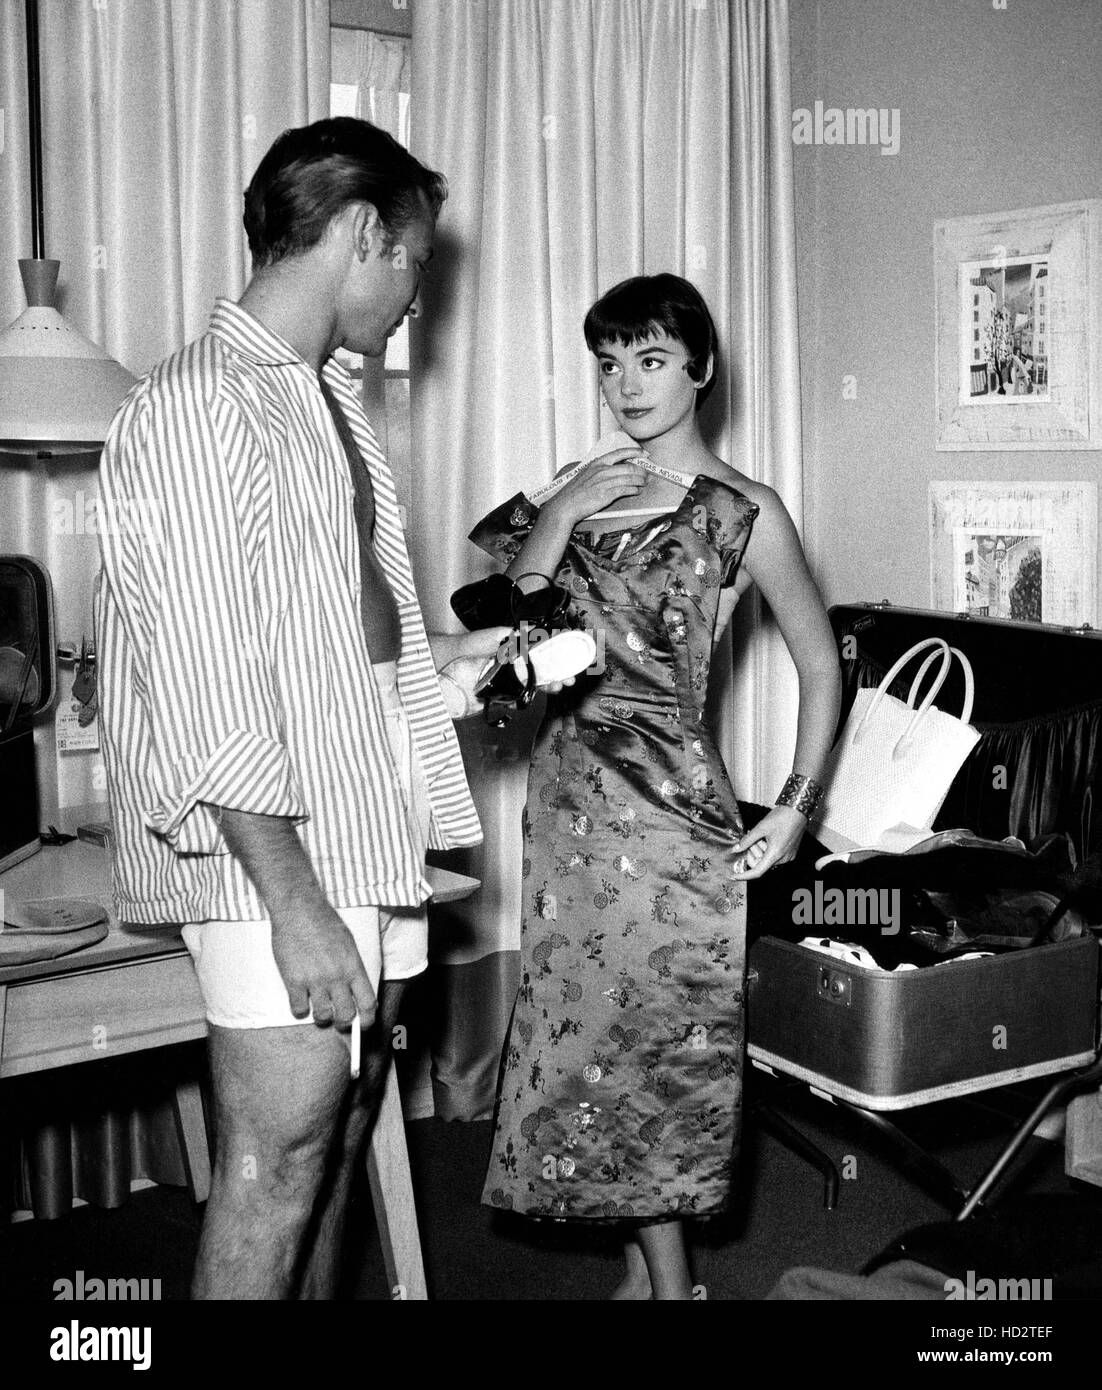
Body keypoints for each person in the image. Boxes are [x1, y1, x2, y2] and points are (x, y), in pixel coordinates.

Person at [95, 117, 522, 1299]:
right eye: (416, 264)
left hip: (361, 809)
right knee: (274, 1159)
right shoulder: (192, 408)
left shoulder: (325, 401)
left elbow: (332, 637)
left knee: (341, 1130)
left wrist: (446, 657)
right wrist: (293, 902)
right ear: (360, 232)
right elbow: (203, 677)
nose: (415, 301)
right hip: (266, 848)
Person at [473, 273, 841, 1299]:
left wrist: (795, 806)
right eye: (608, 362)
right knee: (585, 1043)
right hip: (566, 808)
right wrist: (563, 509)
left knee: (656, 1052)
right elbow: (508, 633)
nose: (625, 383)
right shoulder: (572, 487)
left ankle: (673, 1285)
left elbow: (822, 664)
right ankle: (649, 1271)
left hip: (673, 814)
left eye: (650, 360)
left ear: (701, 369)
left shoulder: (741, 510)